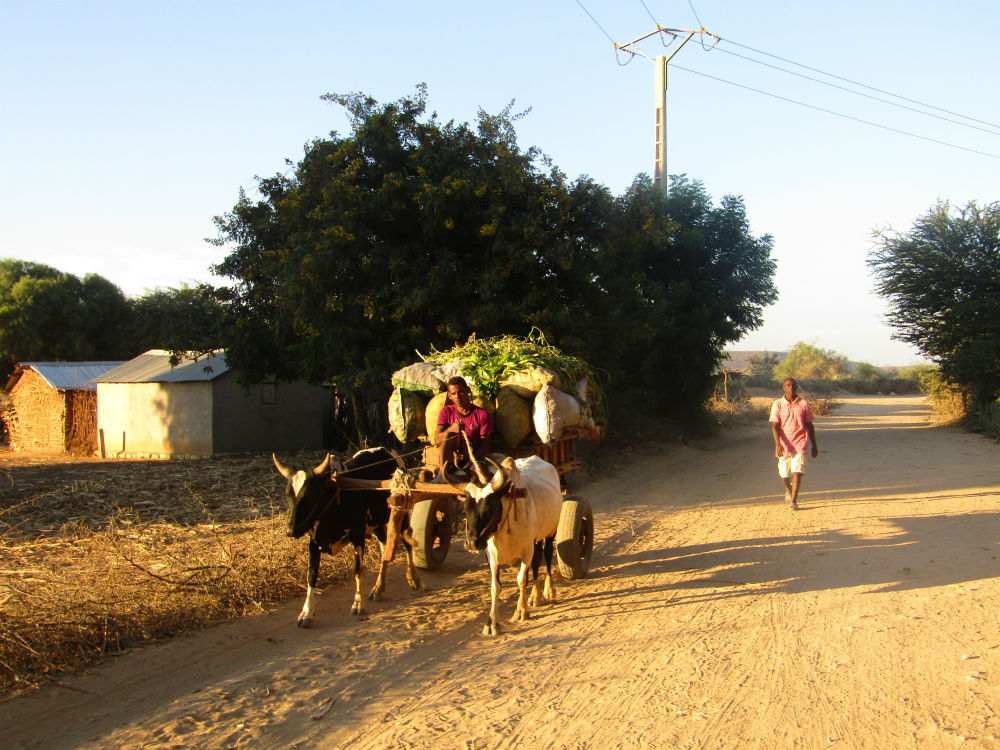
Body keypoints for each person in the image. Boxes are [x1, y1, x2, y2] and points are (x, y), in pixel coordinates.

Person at [769, 377, 819, 510]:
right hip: (784, 443)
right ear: (784, 388)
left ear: (796, 387)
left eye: (793, 385)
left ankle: (794, 501)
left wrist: (814, 445)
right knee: (784, 473)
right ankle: (788, 489)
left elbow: (810, 425)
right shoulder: (778, 404)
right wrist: (778, 444)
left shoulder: (803, 404)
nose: (791, 388)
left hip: (800, 442)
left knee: (797, 471)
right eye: (788, 385)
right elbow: (775, 426)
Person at [435, 376, 493, 476]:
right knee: (448, 435)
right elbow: (437, 438)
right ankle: (442, 474)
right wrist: (451, 429)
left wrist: (469, 457)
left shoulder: (482, 415)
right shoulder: (446, 412)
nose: (457, 396)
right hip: (451, 460)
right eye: (453, 394)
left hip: (475, 459)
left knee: (481, 471)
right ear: (449, 396)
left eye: (461, 392)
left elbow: (485, 447)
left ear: (468, 390)